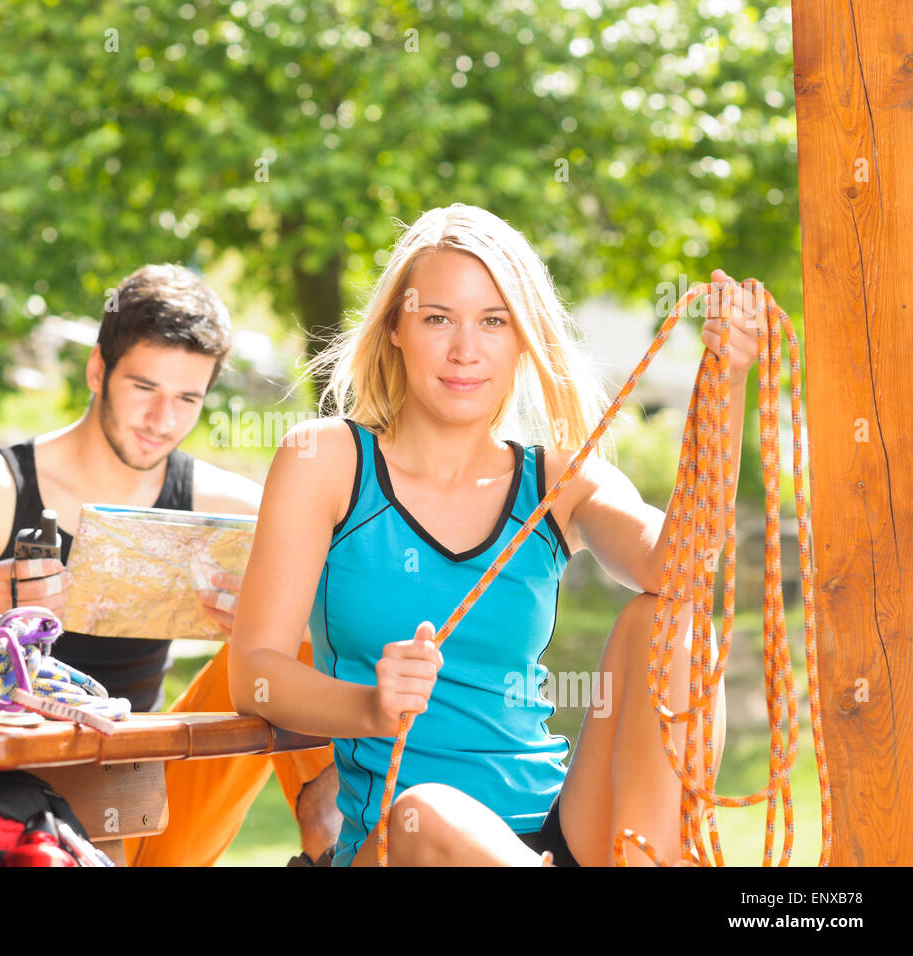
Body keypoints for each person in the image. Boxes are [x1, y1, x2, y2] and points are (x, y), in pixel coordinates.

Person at [228, 203, 758, 866]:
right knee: (429, 810)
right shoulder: (327, 461)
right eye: (437, 318)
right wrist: (370, 707)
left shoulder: (557, 480)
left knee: (673, 623)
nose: (465, 350)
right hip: (409, 843)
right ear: (396, 325)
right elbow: (254, 676)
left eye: (493, 321)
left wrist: (726, 383)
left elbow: (679, 569)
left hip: (558, 833)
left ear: (522, 337)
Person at [0, 263, 339, 866]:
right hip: (1, 799)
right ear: (98, 369)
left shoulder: (226, 504)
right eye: (144, 389)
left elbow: (347, 637)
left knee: (302, 638)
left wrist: (263, 629)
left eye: (187, 399)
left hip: (144, 804)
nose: (163, 421)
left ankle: (336, 843)